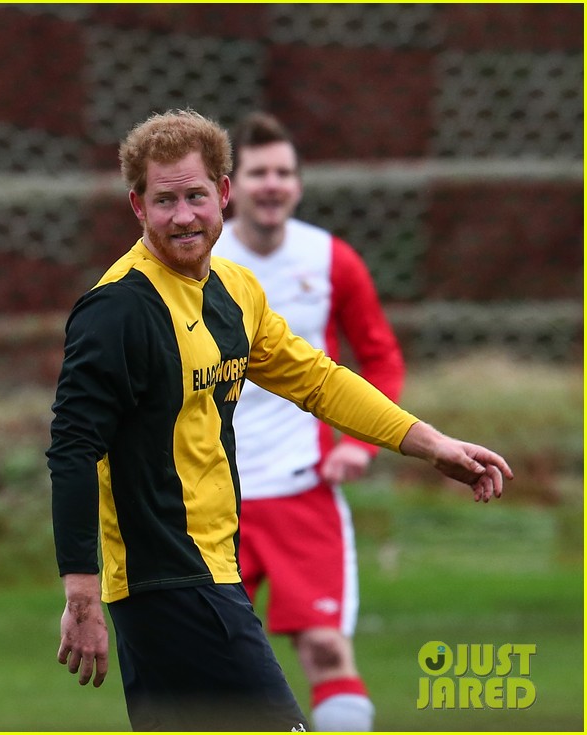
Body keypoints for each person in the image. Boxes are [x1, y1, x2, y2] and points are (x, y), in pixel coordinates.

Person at [47, 109, 512, 732]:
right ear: (137, 205)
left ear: (223, 194)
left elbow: (318, 380)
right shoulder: (117, 310)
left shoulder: (235, 290)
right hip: (169, 576)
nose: (183, 215)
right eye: (164, 201)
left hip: (210, 568)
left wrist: (431, 445)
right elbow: (73, 449)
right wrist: (80, 592)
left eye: (195, 196)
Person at [216, 110, 404, 731]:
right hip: (211, 498)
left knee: (325, 648)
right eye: (259, 172)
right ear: (230, 185)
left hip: (304, 490)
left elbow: (379, 357)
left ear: (298, 184)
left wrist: (361, 445)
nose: (273, 184)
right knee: (211, 670)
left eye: (285, 172)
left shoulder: (330, 259)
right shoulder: (198, 261)